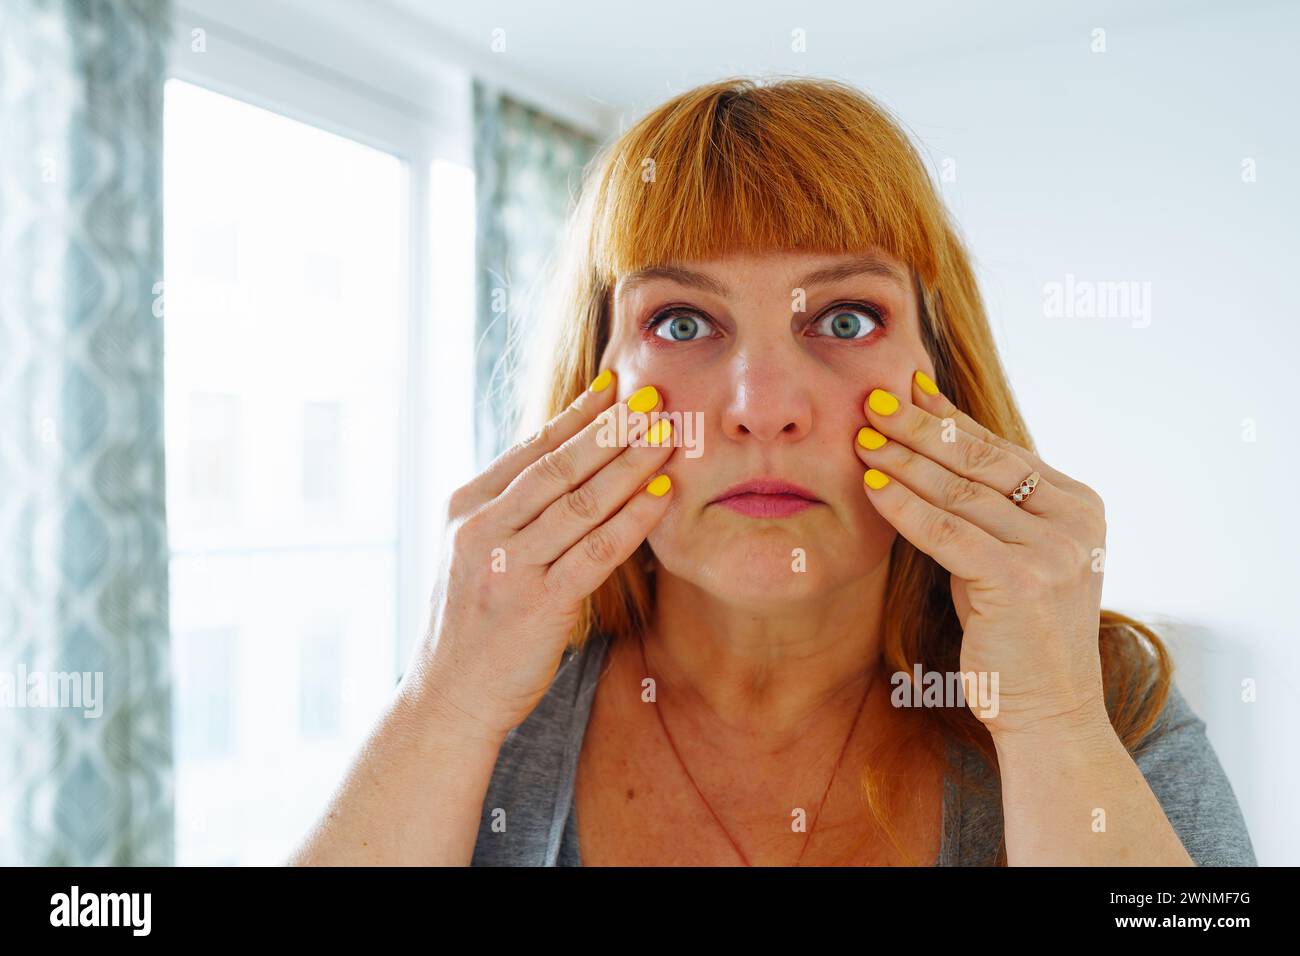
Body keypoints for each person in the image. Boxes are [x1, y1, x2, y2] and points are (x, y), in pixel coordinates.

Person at [289, 76, 1256, 867]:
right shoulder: (486, 706)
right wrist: (444, 706)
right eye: (680, 322)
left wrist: (1054, 723)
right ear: (594, 389)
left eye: (844, 319)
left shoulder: (1108, 702)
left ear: (944, 376)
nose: (762, 405)